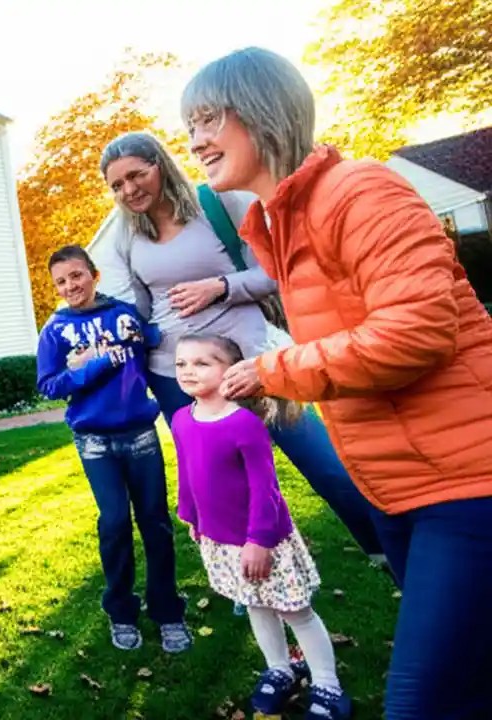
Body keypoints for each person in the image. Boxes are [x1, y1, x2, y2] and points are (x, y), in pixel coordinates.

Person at [182, 46, 492, 720]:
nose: (196, 141)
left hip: (469, 486)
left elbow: (417, 331)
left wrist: (272, 370)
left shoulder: (360, 191)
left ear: (262, 113)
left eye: (208, 119)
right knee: (470, 688)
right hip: (403, 491)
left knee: (422, 704)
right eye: (190, 126)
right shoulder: (280, 225)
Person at [88, 132, 386, 568]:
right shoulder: (123, 237)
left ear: (161, 165)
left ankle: (388, 552)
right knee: (220, 487)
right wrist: (114, 328)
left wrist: (221, 287)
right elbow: (141, 310)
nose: (129, 190)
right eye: (116, 185)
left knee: (323, 463)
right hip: (179, 379)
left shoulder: (218, 204)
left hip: (253, 359)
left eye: (137, 175)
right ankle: (243, 573)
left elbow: (274, 271)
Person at [172, 334, 351, 720]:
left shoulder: (244, 424)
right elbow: (186, 471)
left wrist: (259, 540)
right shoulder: (182, 419)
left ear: (231, 371)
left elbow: (265, 489)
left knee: (295, 610)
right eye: (181, 363)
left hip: (261, 538)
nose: (188, 371)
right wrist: (192, 516)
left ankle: (327, 685)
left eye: (202, 363)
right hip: (220, 540)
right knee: (255, 604)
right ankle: (280, 669)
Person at [36, 246, 192, 654]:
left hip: (140, 435)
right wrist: (93, 365)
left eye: (76, 276)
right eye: (61, 282)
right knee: (115, 523)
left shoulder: (123, 314)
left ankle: (168, 610)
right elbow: (49, 385)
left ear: (93, 274)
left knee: (156, 522)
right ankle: (121, 610)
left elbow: (152, 341)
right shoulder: (54, 331)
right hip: (95, 443)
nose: (71, 286)